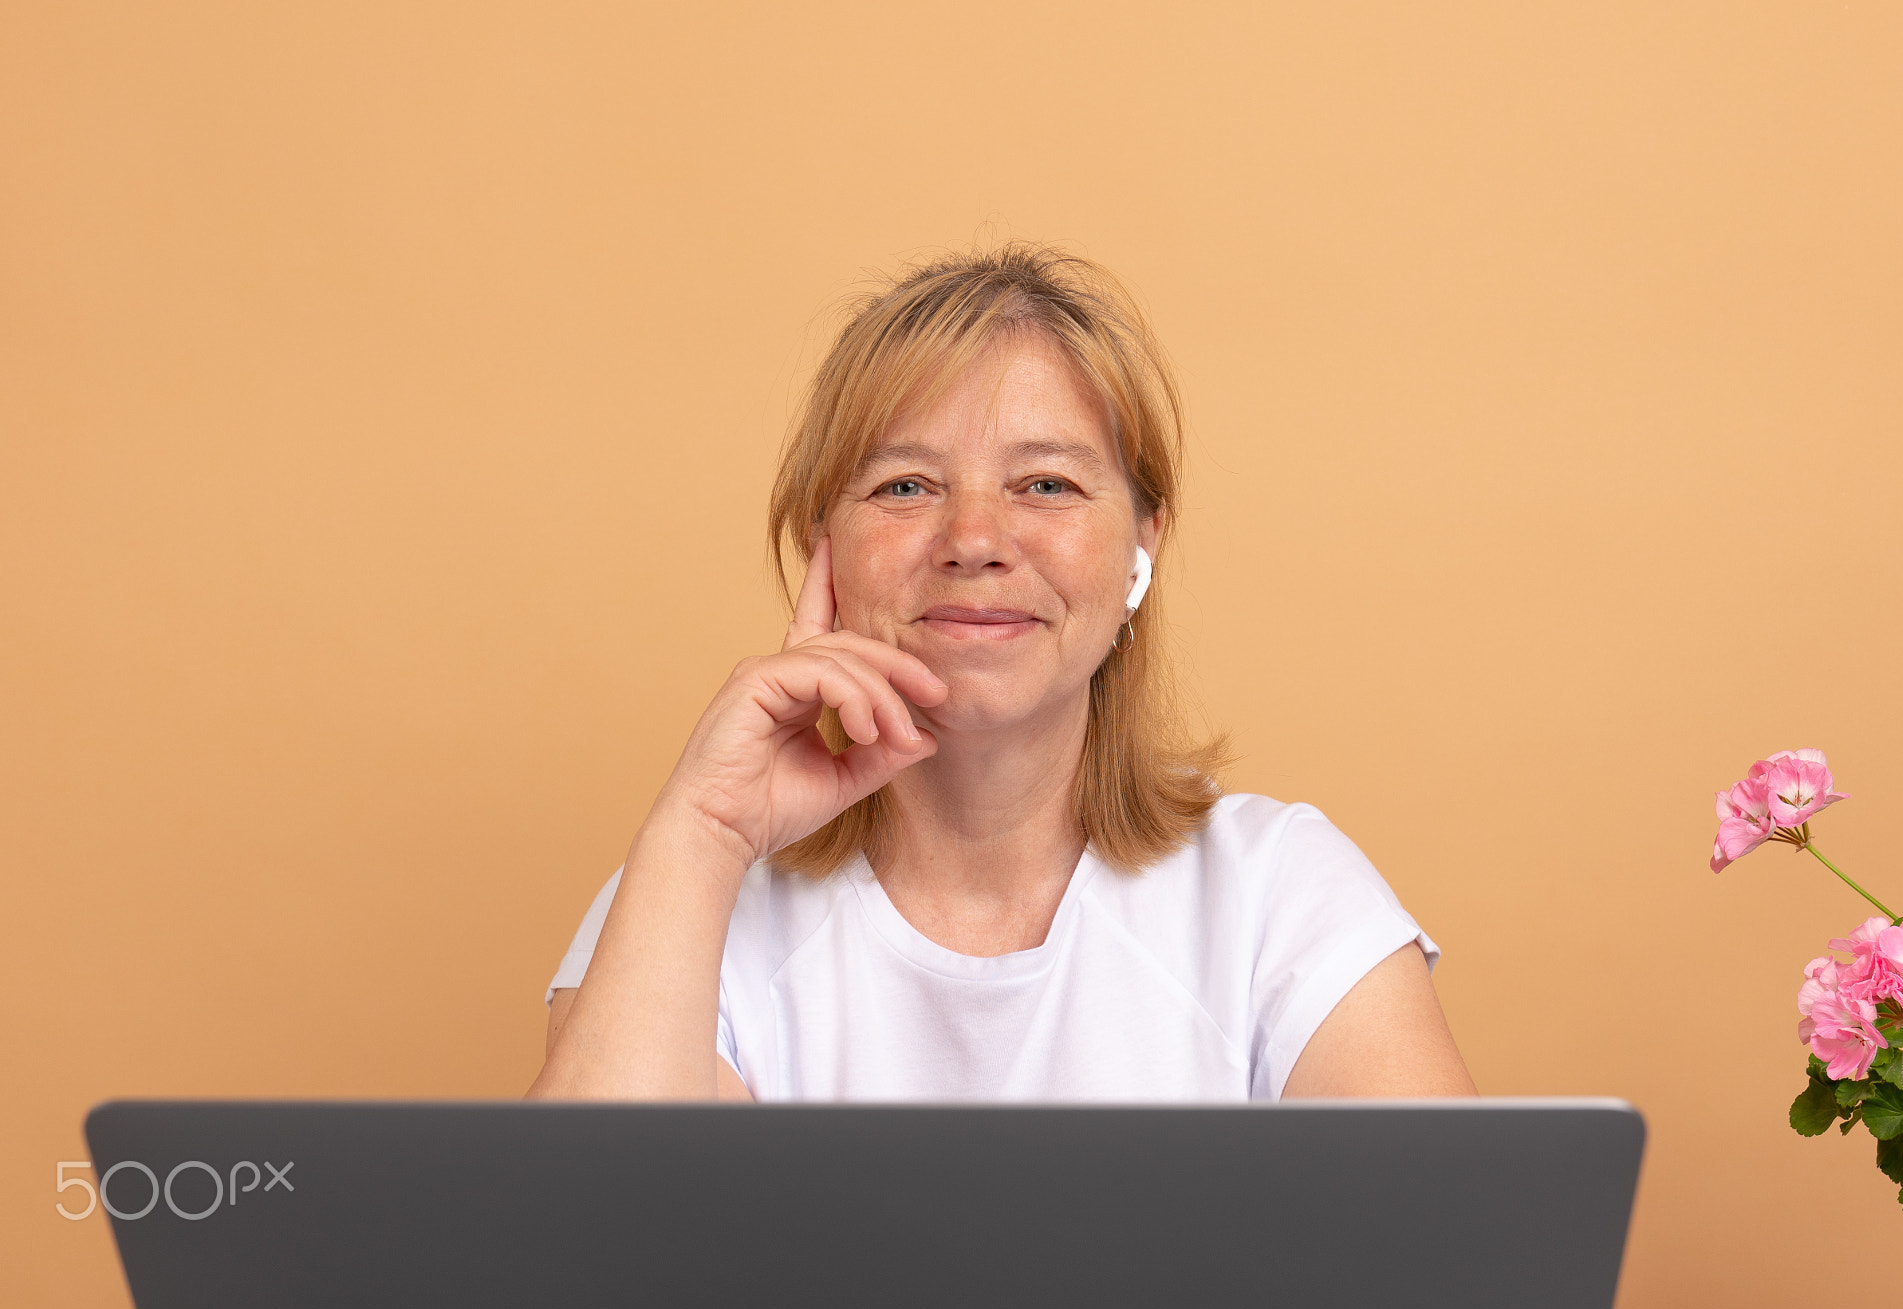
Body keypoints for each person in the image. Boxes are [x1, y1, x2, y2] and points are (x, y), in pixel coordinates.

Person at [526, 244, 1474, 1103]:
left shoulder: (1280, 895)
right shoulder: (683, 908)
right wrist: (704, 831)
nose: (974, 540)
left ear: (1142, 548)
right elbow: (578, 1268)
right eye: (905, 485)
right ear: (825, 544)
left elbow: (1448, 1276)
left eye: (1046, 485)